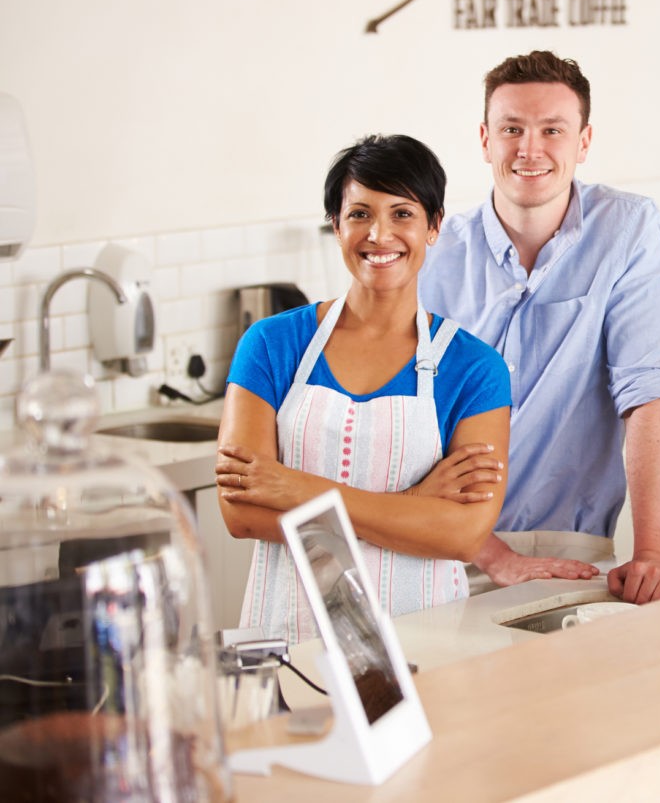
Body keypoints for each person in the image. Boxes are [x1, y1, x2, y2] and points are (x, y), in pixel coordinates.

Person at [216, 134, 512, 644]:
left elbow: (463, 535)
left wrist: (296, 487)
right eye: (359, 214)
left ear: (434, 226)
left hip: (426, 644)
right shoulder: (271, 344)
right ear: (336, 226)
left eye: (402, 214)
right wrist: (416, 504)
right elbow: (241, 513)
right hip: (290, 638)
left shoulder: (475, 369)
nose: (380, 234)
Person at [418, 50, 660, 604]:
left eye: (552, 130)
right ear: (485, 139)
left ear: (583, 142)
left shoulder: (629, 231)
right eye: (511, 128)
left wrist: (655, 554)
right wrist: (485, 550)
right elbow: (410, 421)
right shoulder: (436, 254)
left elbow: (644, 394)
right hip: (447, 551)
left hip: (575, 553)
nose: (529, 149)